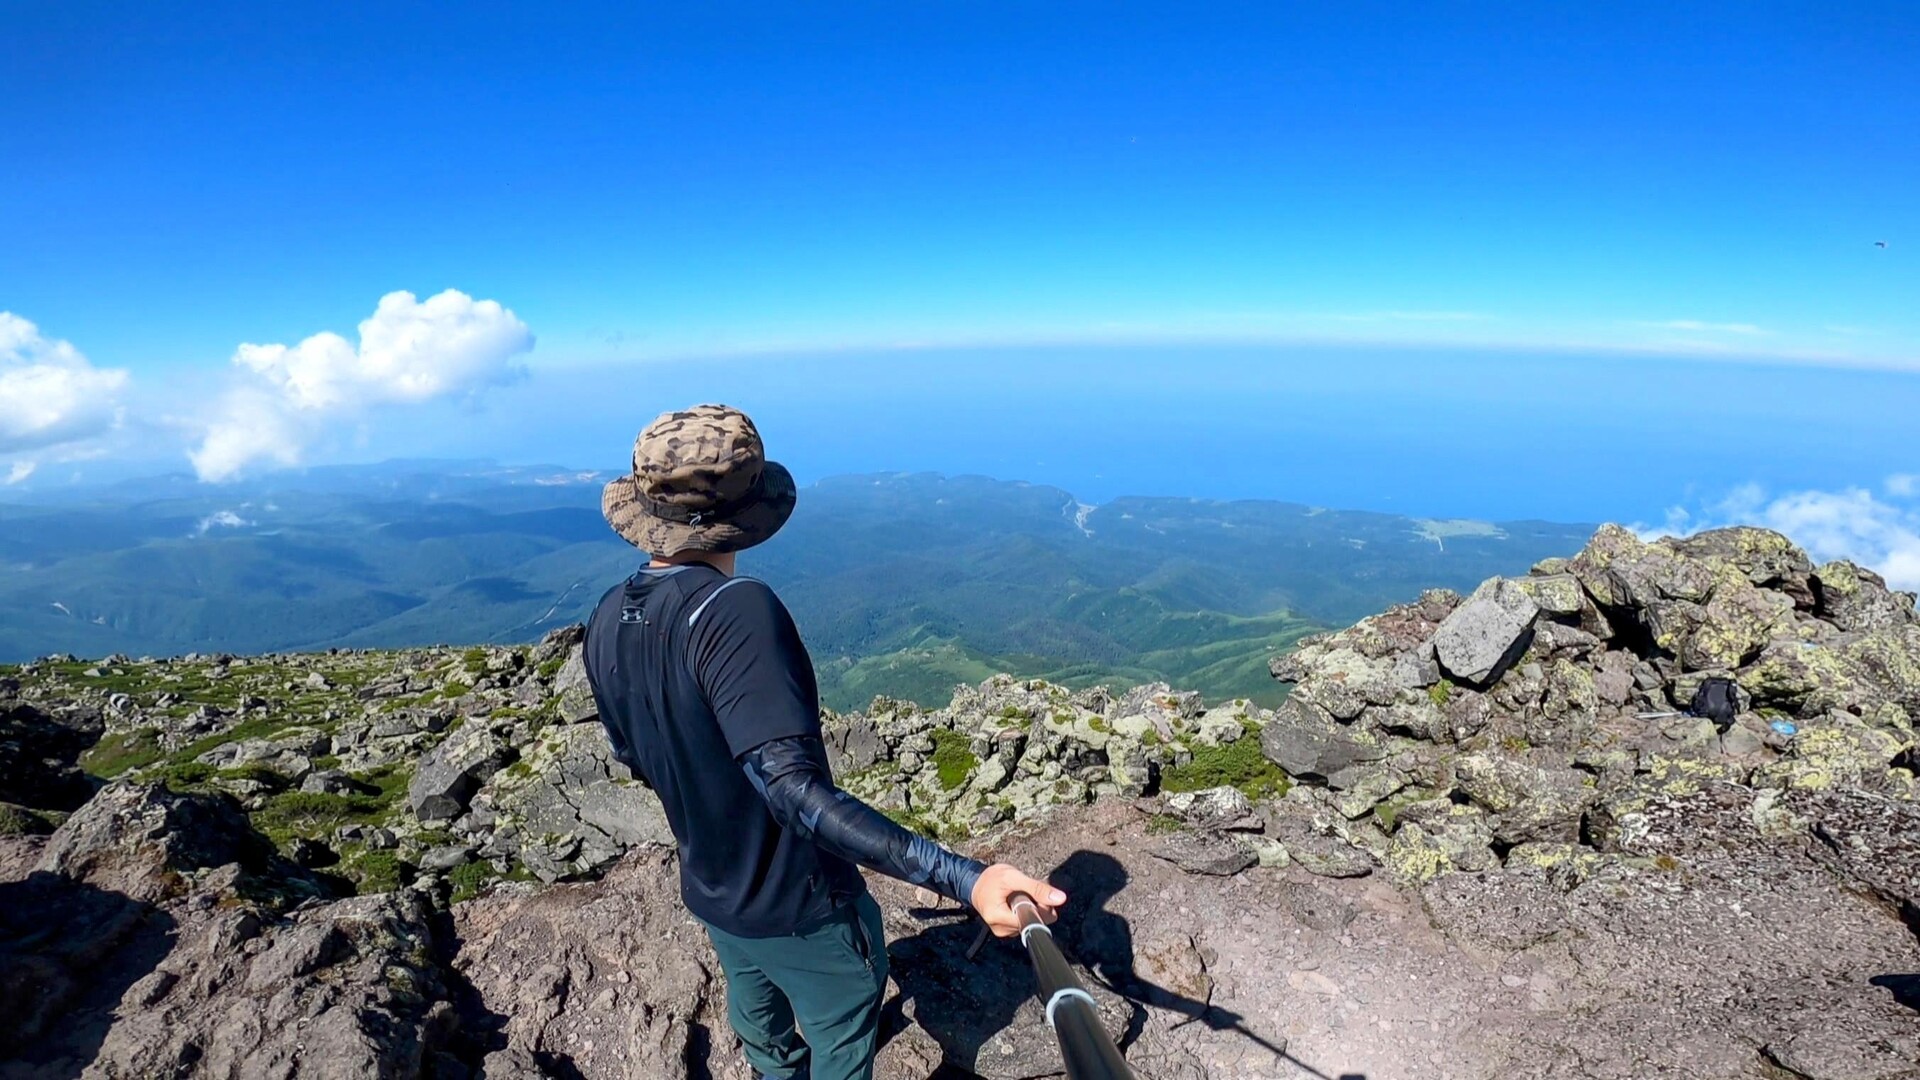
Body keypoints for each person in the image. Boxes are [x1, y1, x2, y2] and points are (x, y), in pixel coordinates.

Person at [584, 404, 1067, 1080]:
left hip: (714, 891)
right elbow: (794, 793)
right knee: (845, 1030)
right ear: (747, 506)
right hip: (800, 906)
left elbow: (635, 754)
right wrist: (969, 877)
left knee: (762, 1025)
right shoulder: (734, 611)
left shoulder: (610, 614)